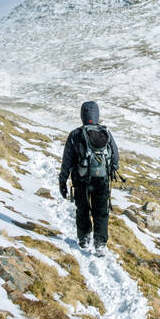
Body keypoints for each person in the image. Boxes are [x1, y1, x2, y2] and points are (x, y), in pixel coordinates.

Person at [59, 100, 119, 251]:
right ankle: (100, 244)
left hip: (81, 180)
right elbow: (115, 156)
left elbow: (67, 161)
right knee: (101, 212)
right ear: (97, 114)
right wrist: (111, 169)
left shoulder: (75, 134)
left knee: (83, 210)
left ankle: (84, 240)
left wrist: (63, 180)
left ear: (82, 115)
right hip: (102, 180)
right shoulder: (106, 133)